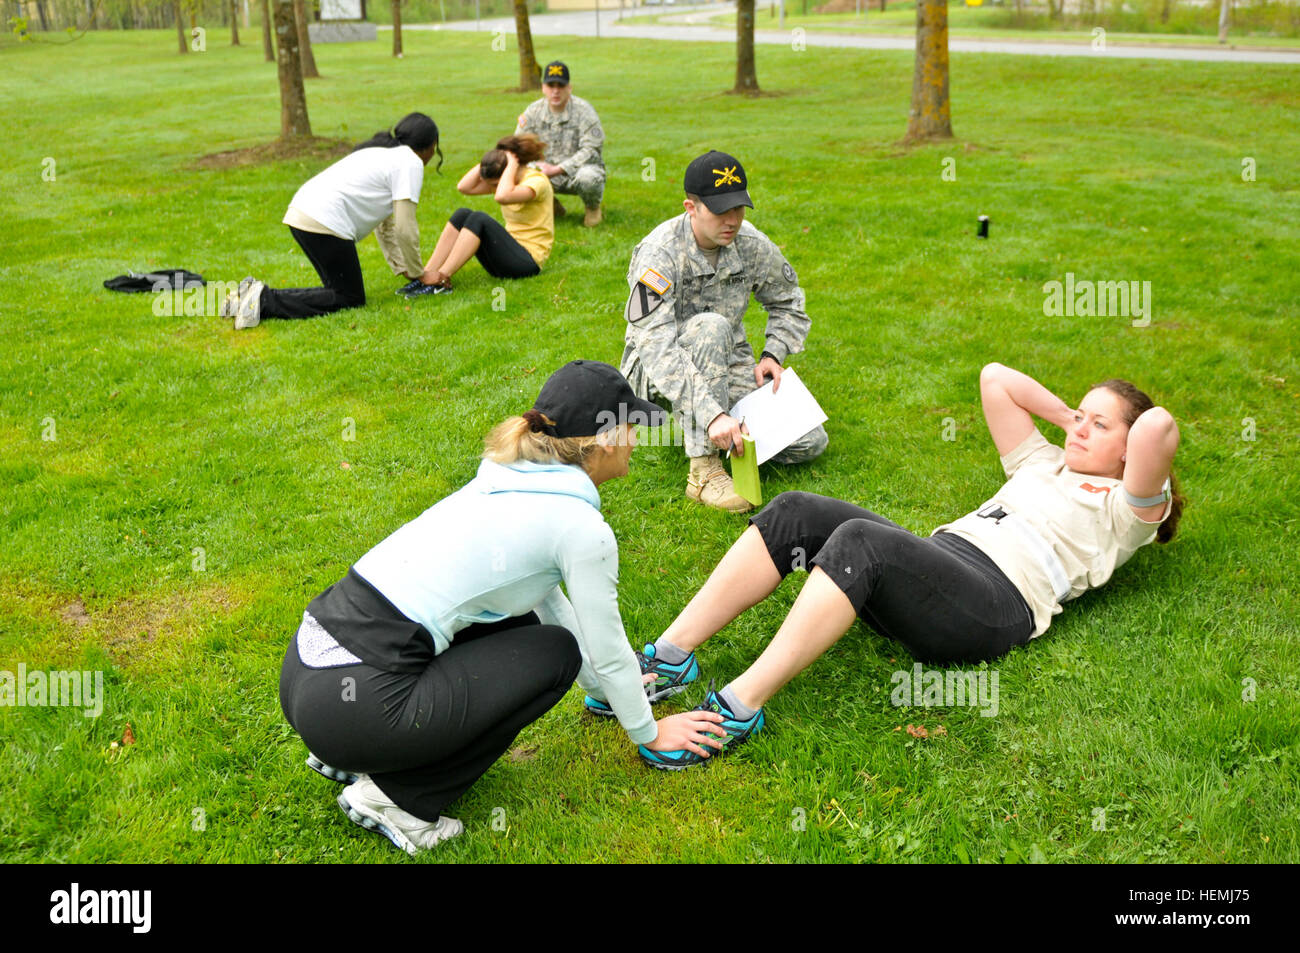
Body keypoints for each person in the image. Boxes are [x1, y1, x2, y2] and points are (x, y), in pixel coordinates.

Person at [627, 363, 1183, 770]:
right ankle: (671, 655)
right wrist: (1076, 420)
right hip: (942, 565)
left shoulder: (1124, 513)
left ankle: (740, 706)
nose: (1080, 430)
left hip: (993, 603)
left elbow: (1158, 426)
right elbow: (994, 378)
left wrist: (1123, 440)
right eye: (1080, 417)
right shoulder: (1045, 462)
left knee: (860, 541)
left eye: (1100, 427)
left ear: (1130, 453)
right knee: (796, 509)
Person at [278, 360, 729, 854]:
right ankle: (398, 798)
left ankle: (363, 755)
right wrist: (649, 730)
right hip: (356, 705)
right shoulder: (579, 528)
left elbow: (544, 600)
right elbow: (605, 644)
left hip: (307, 675)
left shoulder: (504, 482)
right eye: (633, 427)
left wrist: (606, 692)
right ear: (606, 438)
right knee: (556, 655)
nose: (638, 441)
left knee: (521, 621)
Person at [620, 150, 828, 514]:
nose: (732, 220)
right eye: (720, 210)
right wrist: (711, 413)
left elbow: (789, 301)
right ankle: (703, 469)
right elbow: (656, 347)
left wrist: (772, 354)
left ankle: (728, 439)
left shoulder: (751, 245)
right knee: (711, 327)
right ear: (691, 207)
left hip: (728, 361)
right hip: (654, 374)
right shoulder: (660, 252)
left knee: (809, 441)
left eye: (738, 208)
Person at [224, 112, 442, 329]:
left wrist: (404, 268)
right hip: (324, 220)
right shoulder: (410, 162)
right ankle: (262, 301)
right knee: (349, 297)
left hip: (302, 212)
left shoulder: (383, 155)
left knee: (336, 290)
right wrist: (419, 274)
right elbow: (405, 227)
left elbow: (385, 226)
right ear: (431, 145)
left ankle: (249, 296)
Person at [400, 134, 553, 297]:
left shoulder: (537, 181)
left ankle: (442, 279)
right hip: (506, 256)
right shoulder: (505, 182)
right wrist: (494, 157)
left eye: (494, 184)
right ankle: (426, 275)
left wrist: (511, 164)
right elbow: (464, 187)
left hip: (527, 262)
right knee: (462, 214)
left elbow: (502, 196)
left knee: (479, 218)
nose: (492, 187)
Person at [514, 60, 605, 227]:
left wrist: (558, 169)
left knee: (589, 178)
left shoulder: (584, 111)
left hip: (577, 172)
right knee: (515, 172)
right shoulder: (533, 112)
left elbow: (592, 149)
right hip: (545, 173)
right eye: (551, 85)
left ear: (569, 88)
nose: (555, 91)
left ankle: (593, 208)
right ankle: (551, 204)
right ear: (543, 87)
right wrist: (535, 166)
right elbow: (518, 146)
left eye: (561, 86)